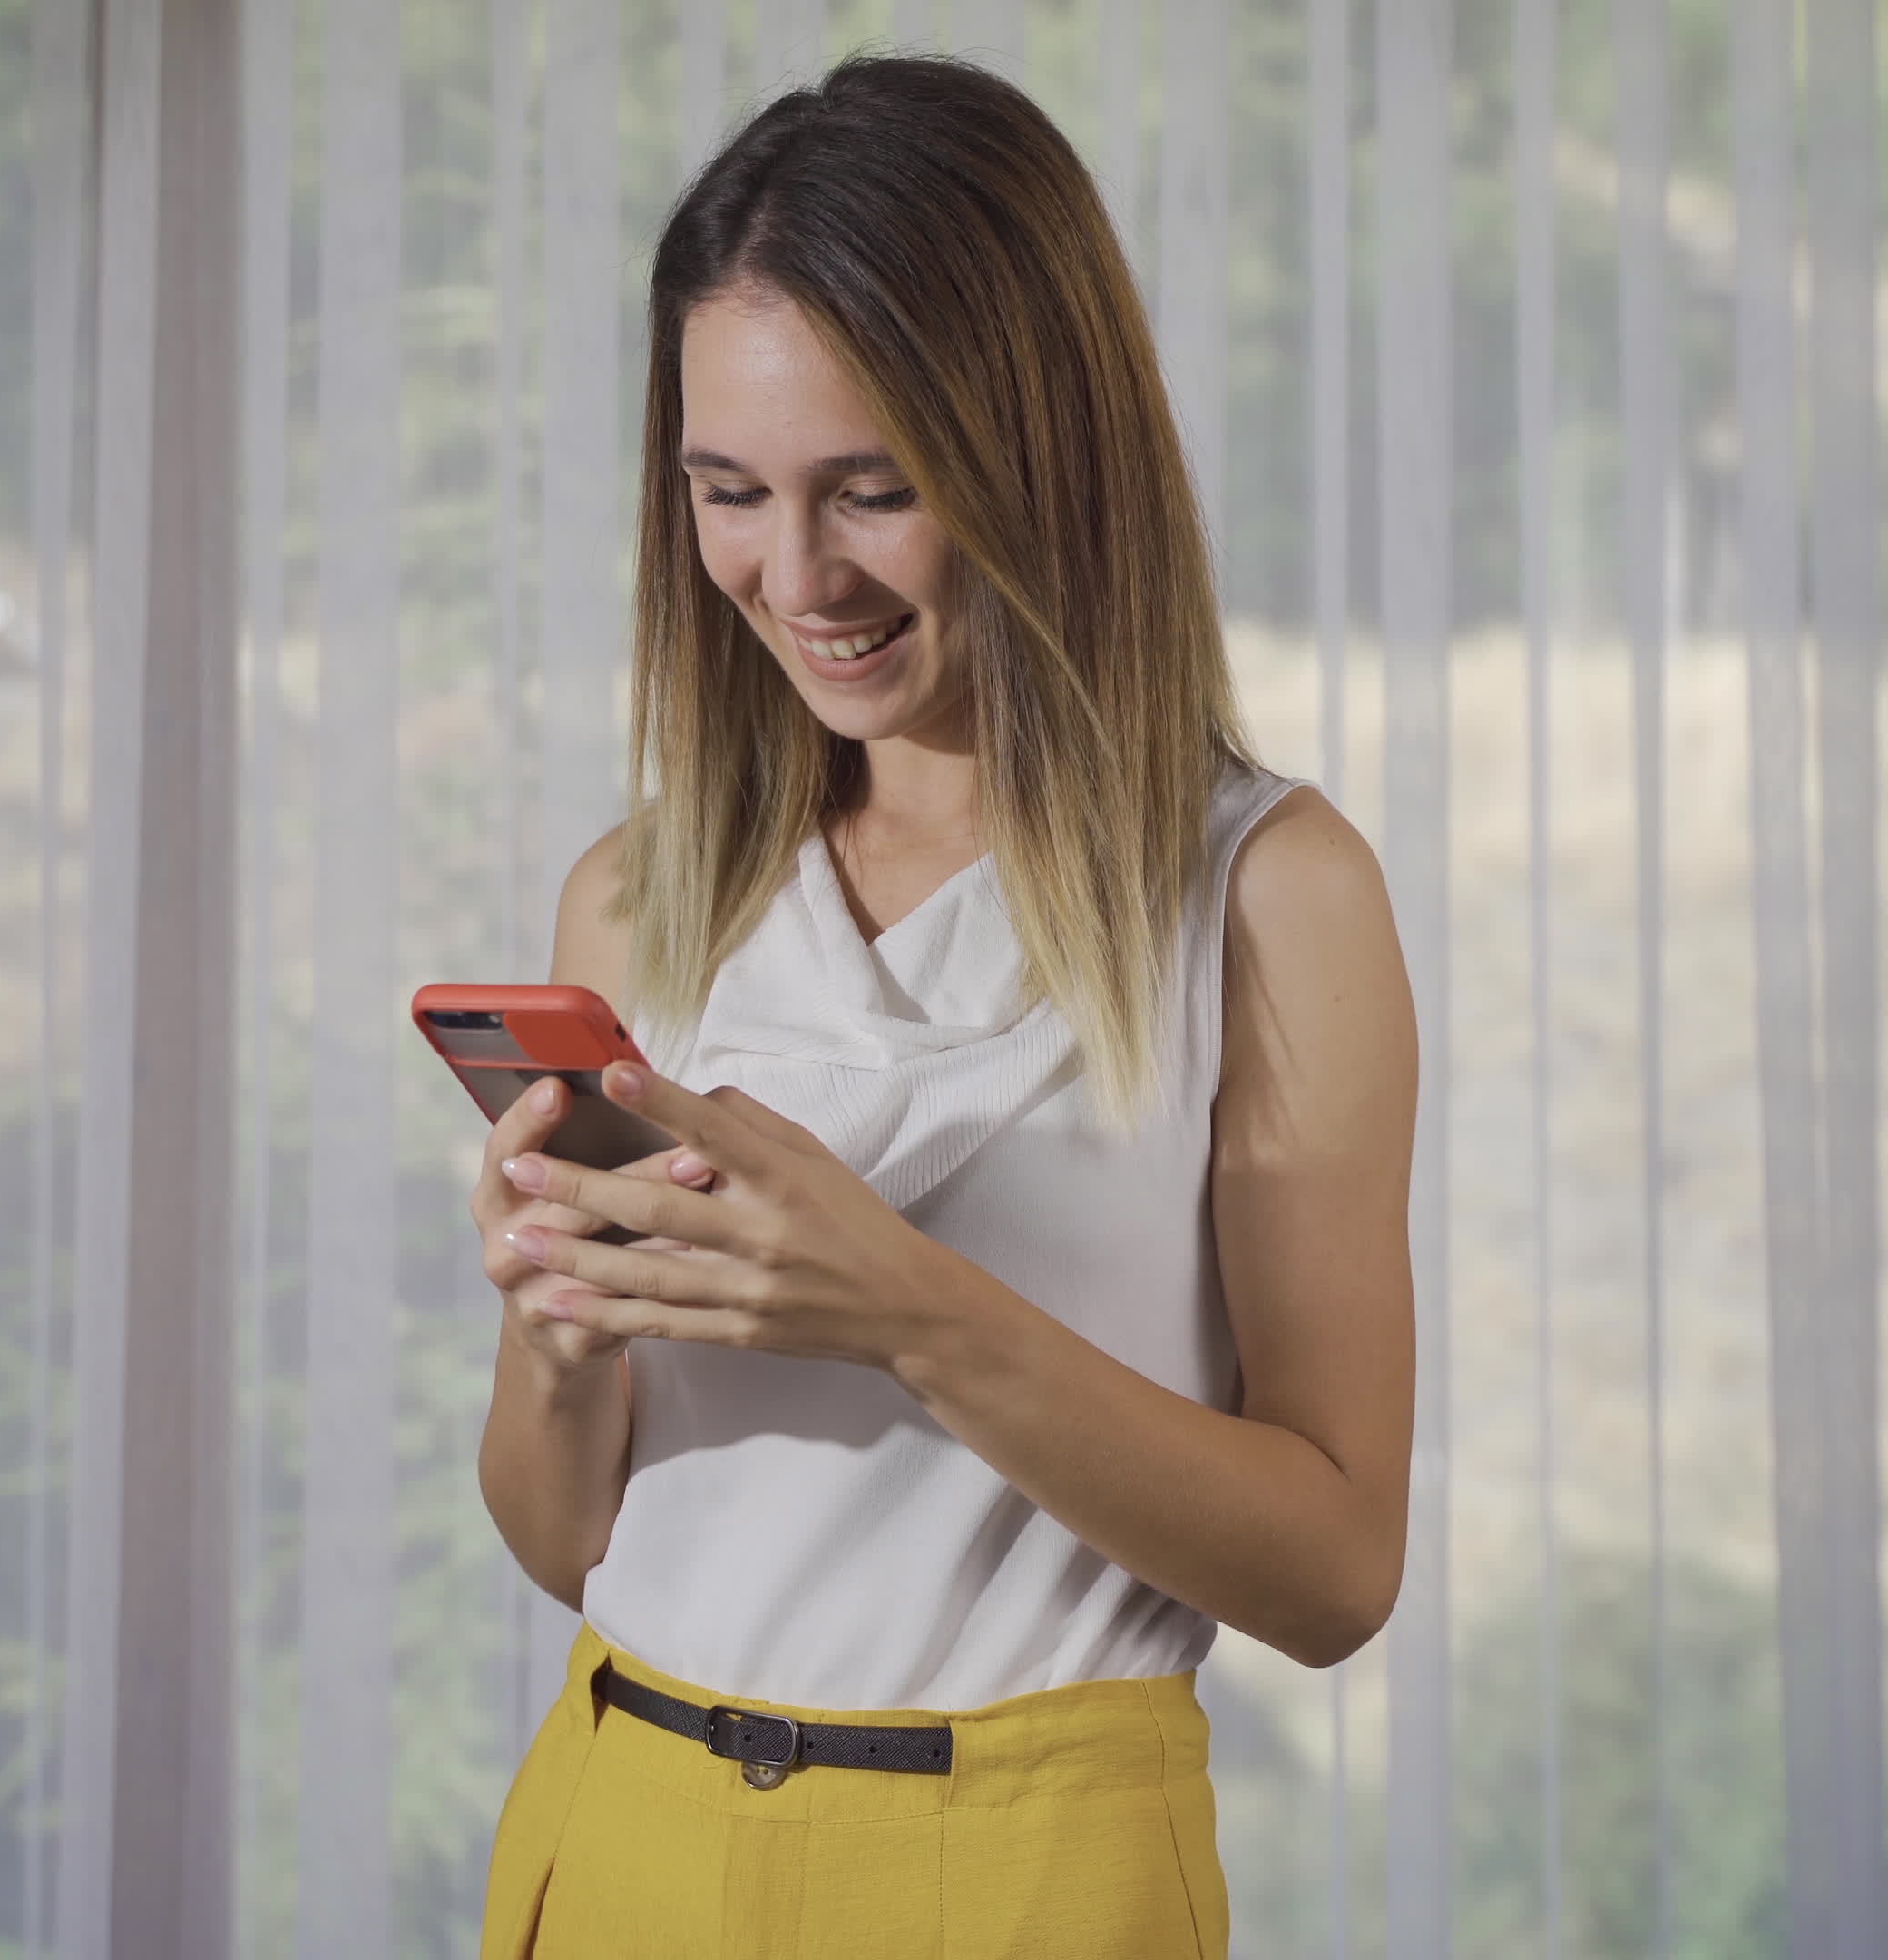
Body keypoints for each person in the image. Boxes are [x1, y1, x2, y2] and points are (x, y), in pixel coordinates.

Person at [468, 52, 1417, 1960]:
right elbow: (569, 1541)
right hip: (619, 1821)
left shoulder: (1268, 896)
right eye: (729, 494)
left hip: (1026, 1870)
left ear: (1043, 452)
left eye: (874, 491)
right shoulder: (642, 897)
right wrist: (558, 1336)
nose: (794, 575)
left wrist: (907, 1312)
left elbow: (1333, 1575)